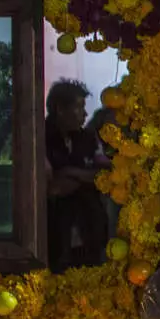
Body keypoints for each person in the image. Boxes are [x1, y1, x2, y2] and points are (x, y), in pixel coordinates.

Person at [44, 80, 109, 273]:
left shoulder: (88, 137)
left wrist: (70, 172)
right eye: (79, 107)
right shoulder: (39, 137)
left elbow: (105, 174)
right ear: (60, 109)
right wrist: (86, 178)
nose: (85, 114)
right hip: (55, 233)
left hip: (91, 226)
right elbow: (52, 187)